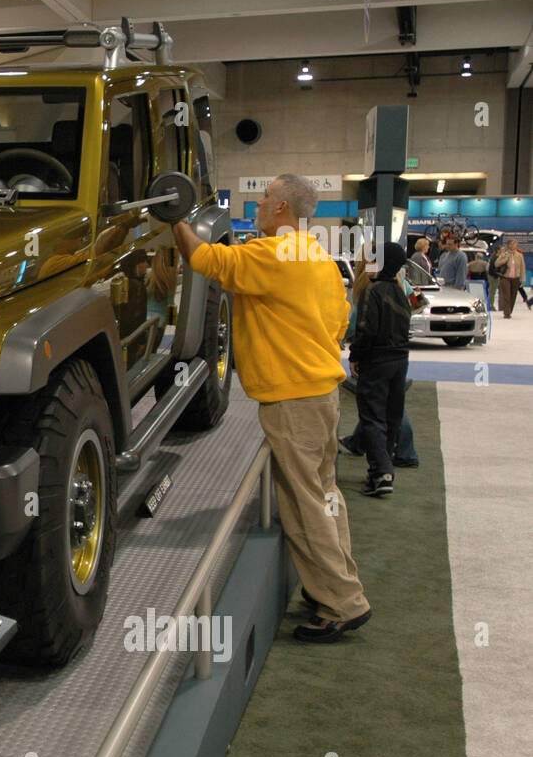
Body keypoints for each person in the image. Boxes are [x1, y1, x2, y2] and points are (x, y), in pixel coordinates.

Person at [173, 174, 371, 643]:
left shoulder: (272, 253)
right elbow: (340, 322)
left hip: (292, 401)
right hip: (321, 394)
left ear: (281, 207)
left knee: (304, 504)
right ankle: (334, 585)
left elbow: (205, 259)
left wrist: (175, 216)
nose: (257, 205)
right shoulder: (318, 259)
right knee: (324, 495)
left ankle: (342, 603)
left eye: (263, 198)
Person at [340, 255, 420, 468]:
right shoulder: (401, 283)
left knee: (376, 407)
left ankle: (399, 455)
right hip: (399, 352)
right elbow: (417, 304)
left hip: (378, 355)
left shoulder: (369, 286)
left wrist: (353, 351)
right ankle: (358, 443)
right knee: (386, 405)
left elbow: (360, 323)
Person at [349, 242, 412, 497]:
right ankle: (382, 471)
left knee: (372, 417)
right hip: (401, 360)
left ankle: (382, 472)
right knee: (391, 417)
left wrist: (355, 356)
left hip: (376, 362)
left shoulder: (372, 292)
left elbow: (365, 329)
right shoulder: (401, 292)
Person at [494, 238, 527, 318]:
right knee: (507, 296)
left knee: (513, 295)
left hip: (515, 278)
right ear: (508, 245)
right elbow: (496, 264)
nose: (513, 246)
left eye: (514, 244)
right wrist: (504, 258)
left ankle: (509, 310)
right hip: (505, 278)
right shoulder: (504, 254)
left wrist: (523, 278)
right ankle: (507, 313)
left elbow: (522, 267)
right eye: (511, 244)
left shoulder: (519, 256)